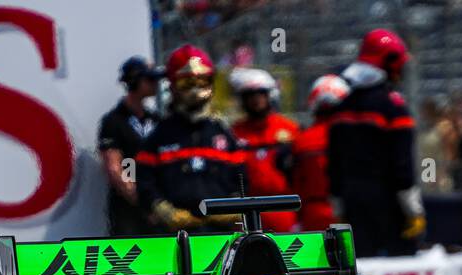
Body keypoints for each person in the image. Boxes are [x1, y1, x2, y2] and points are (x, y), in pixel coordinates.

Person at [328, 28, 424, 256]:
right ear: (389, 63)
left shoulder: (342, 106)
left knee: (361, 267)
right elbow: (402, 165)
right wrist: (413, 210)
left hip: (351, 200)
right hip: (388, 202)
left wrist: (338, 203)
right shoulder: (393, 107)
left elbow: (334, 161)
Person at [136, 45, 246, 234]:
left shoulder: (224, 135)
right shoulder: (159, 136)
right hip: (174, 236)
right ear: (172, 86)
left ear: (210, 83)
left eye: (200, 81)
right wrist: (163, 209)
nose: (194, 90)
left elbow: (241, 179)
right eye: (186, 84)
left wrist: (233, 208)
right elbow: (144, 181)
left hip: (220, 234)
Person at [97, 56, 163, 236]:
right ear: (134, 81)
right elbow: (113, 167)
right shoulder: (113, 121)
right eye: (149, 79)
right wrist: (144, 202)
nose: (155, 83)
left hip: (158, 204)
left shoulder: (156, 120)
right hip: (128, 210)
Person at [231, 68, 299, 231]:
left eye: (260, 93)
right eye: (250, 95)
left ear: (270, 95)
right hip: (247, 212)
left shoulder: (290, 129)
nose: (256, 100)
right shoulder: (234, 133)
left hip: (285, 210)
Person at [293, 74, 350, 231]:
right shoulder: (353, 136)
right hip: (349, 210)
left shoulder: (302, 139)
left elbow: (298, 183)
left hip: (312, 213)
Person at [418, 97, 453, 193]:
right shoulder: (423, 128)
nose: (423, 114)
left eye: (425, 110)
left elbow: (448, 152)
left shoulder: (444, 126)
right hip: (427, 169)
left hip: (440, 172)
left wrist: (442, 173)